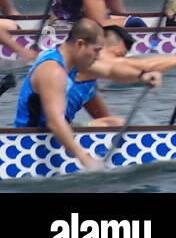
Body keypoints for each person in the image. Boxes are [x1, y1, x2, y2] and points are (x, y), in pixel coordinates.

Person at [12, 19, 161, 172]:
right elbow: (55, 123)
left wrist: (142, 76)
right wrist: (86, 160)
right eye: (96, 50)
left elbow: (111, 71)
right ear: (80, 44)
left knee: (114, 122)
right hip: (29, 141)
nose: (97, 57)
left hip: (53, 134)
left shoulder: (73, 62)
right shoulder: (53, 70)